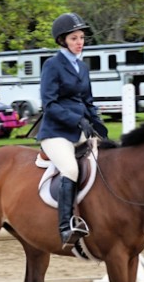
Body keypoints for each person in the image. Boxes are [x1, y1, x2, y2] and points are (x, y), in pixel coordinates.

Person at [36, 13, 108, 248]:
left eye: (82, 38)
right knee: (70, 169)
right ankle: (66, 227)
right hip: (56, 133)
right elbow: (49, 104)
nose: (79, 42)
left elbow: (87, 101)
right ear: (63, 41)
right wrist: (77, 120)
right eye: (74, 38)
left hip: (81, 131)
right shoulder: (52, 65)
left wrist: (97, 122)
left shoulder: (82, 67)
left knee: (111, 161)